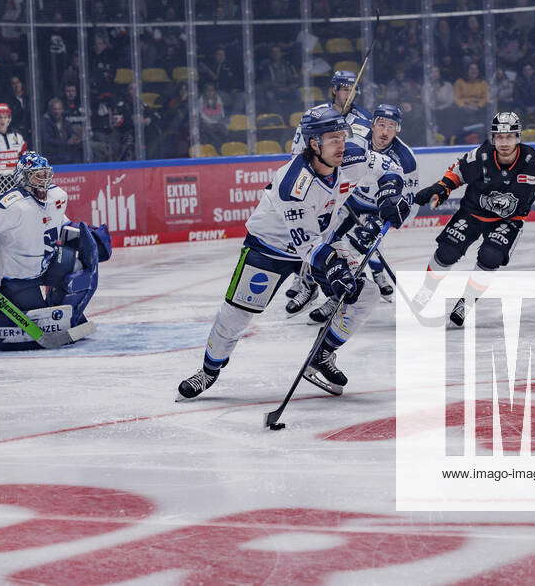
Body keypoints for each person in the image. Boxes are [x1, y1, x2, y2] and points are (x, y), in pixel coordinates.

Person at [176, 109, 411, 400]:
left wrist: (390, 193)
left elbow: (388, 165)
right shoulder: (293, 184)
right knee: (236, 314)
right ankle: (208, 371)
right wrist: (335, 269)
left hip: (318, 242)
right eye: (332, 139)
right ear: (314, 144)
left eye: (342, 136)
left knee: (365, 294)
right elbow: (307, 245)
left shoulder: (351, 155)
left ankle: (323, 354)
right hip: (269, 248)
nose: (341, 144)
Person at [412, 111, 535, 327]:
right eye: (499, 137)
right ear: (493, 138)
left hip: (509, 220)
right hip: (472, 213)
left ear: (518, 137)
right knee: (447, 252)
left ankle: (465, 303)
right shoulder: (480, 156)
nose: (504, 142)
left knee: (491, 257)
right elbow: (456, 173)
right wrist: (441, 188)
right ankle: (427, 289)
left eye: (509, 137)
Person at [0, 152, 110, 350]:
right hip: (14, 277)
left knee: (80, 268)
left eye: (46, 174)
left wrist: (81, 233)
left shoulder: (57, 196)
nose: (44, 179)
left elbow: (57, 221)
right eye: (38, 175)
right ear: (23, 177)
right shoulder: (11, 206)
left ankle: (60, 313)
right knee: (36, 318)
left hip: (44, 266)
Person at [306, 103, 419, 322]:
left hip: (378, 209)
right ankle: (327, 292)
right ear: (372, 124)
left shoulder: (406, 158)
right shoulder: (355, 140)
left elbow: (409, 203)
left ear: (398, 129)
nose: (385, 131)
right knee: (326, 244)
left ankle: (359, 284)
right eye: (381, 124)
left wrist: (389, 222)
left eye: (391, 126)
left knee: (360, 246)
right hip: (349, 201)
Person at [283, 70, 374, 308]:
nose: (348, 94)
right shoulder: (315, 115)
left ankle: (333, 295)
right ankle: (306, 284)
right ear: (335, 89)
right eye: (344, 89)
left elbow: (356, 156)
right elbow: (297, 152)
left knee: (333, 240)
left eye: (352, 89)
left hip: (345, 187)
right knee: (308, 235)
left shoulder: (364, 120)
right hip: (317, 184)